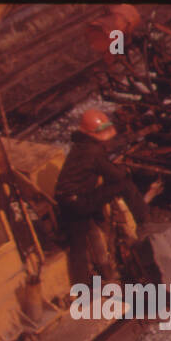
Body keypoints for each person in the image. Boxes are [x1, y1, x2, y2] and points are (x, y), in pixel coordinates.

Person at [54, 108, 151, 284]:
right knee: (124, 184)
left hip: (66, 201)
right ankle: (144, 220)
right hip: (80, 202)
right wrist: (124, 168)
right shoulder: (94, 152)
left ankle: (81, 285)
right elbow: (116, 177)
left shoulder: (78, 147)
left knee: (78, 247)